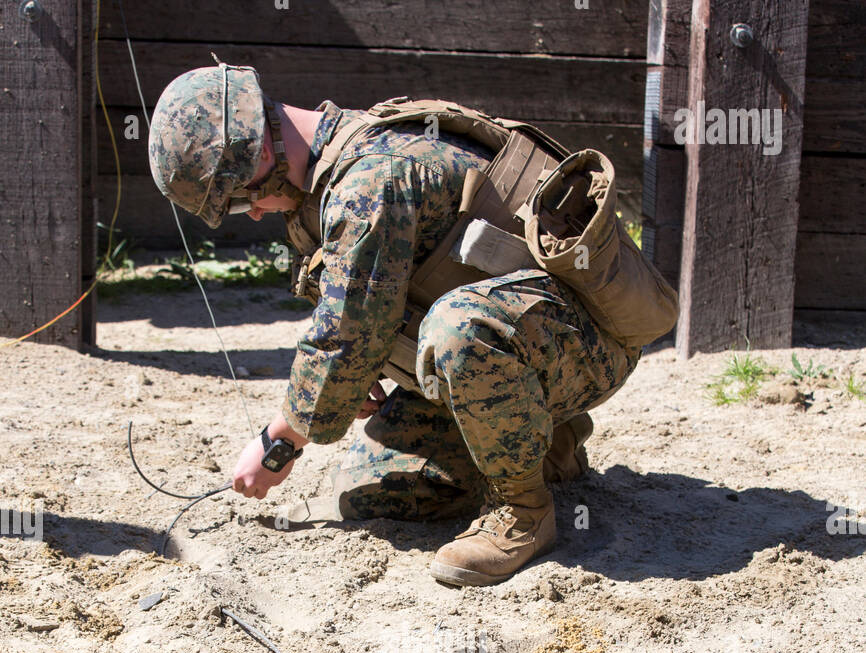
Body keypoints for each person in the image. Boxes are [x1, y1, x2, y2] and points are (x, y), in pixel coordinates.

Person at [148, 63, 641, 586]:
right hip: (533, 337)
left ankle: (524, 512)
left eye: (242, 197)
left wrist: (279, 442)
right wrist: (363, 375)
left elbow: (345, 333)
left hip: (589, 345)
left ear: (259, 154)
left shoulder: (372, 178)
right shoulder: (331, 172)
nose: (250, 214)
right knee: (379, 492)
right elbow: (373, 307)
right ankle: (549, 441)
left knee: (461, 329)